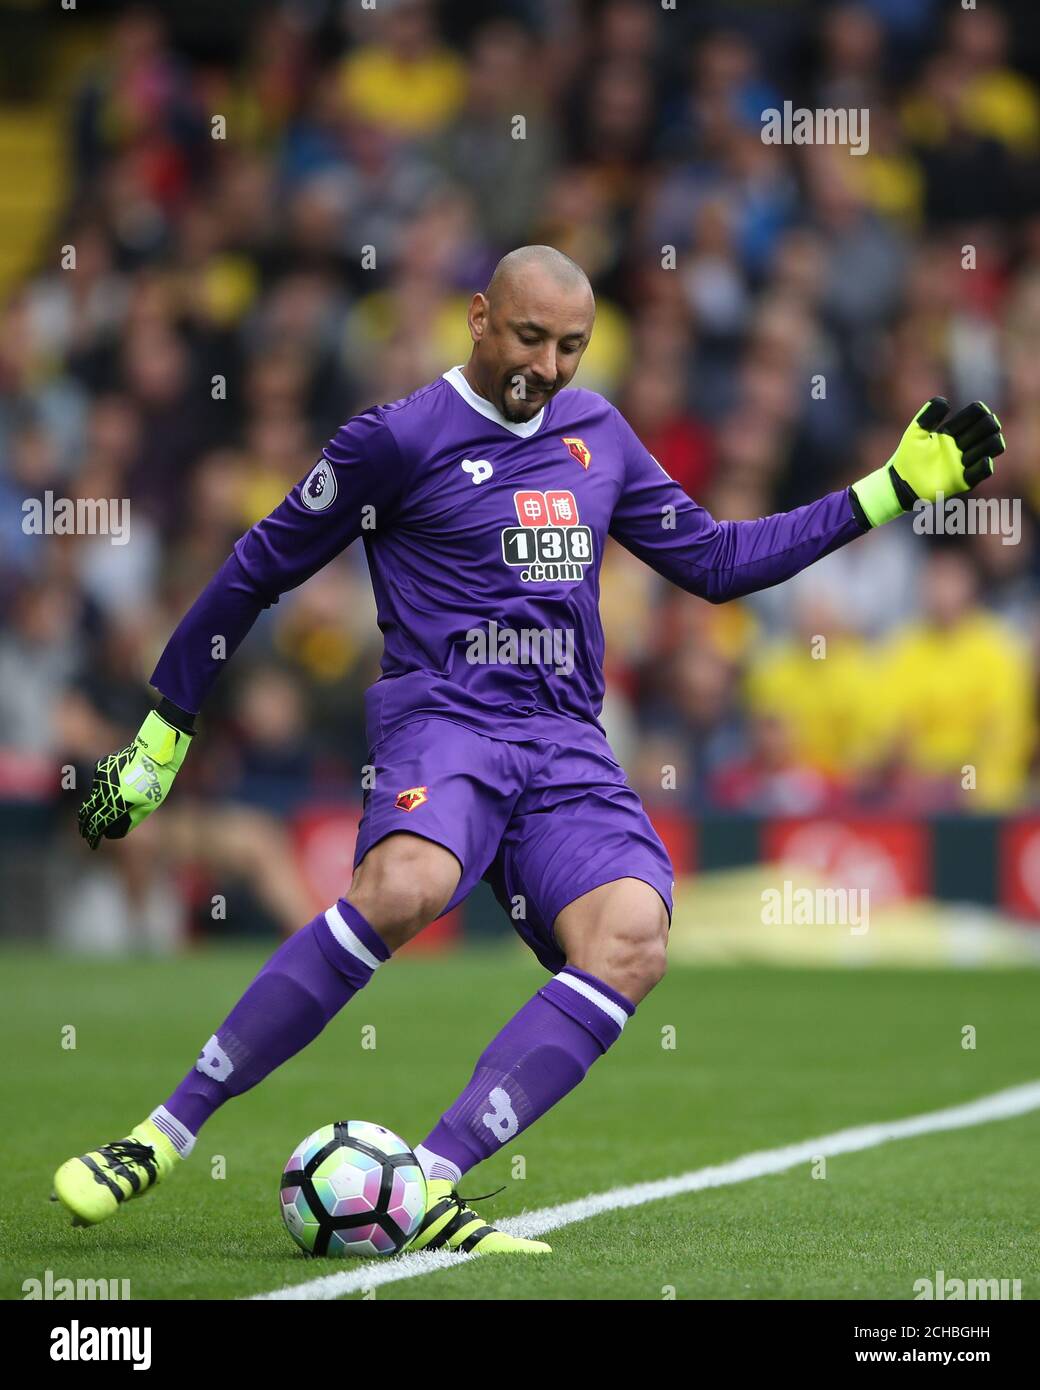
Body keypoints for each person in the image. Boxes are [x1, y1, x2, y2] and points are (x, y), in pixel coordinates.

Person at [55, 245, 1004, 1255]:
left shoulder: (598, 432)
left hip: (563, 745)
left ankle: (423, 1179)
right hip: (445, 721)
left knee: (633, 937)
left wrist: (888, 489)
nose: (547, 367)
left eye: (570, 348)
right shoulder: (395, 440)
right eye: (527, 339)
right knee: (404, 885)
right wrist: (164, 732)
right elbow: (254, 569)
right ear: (476, 317)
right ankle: (162, 1133)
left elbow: (715, 561)